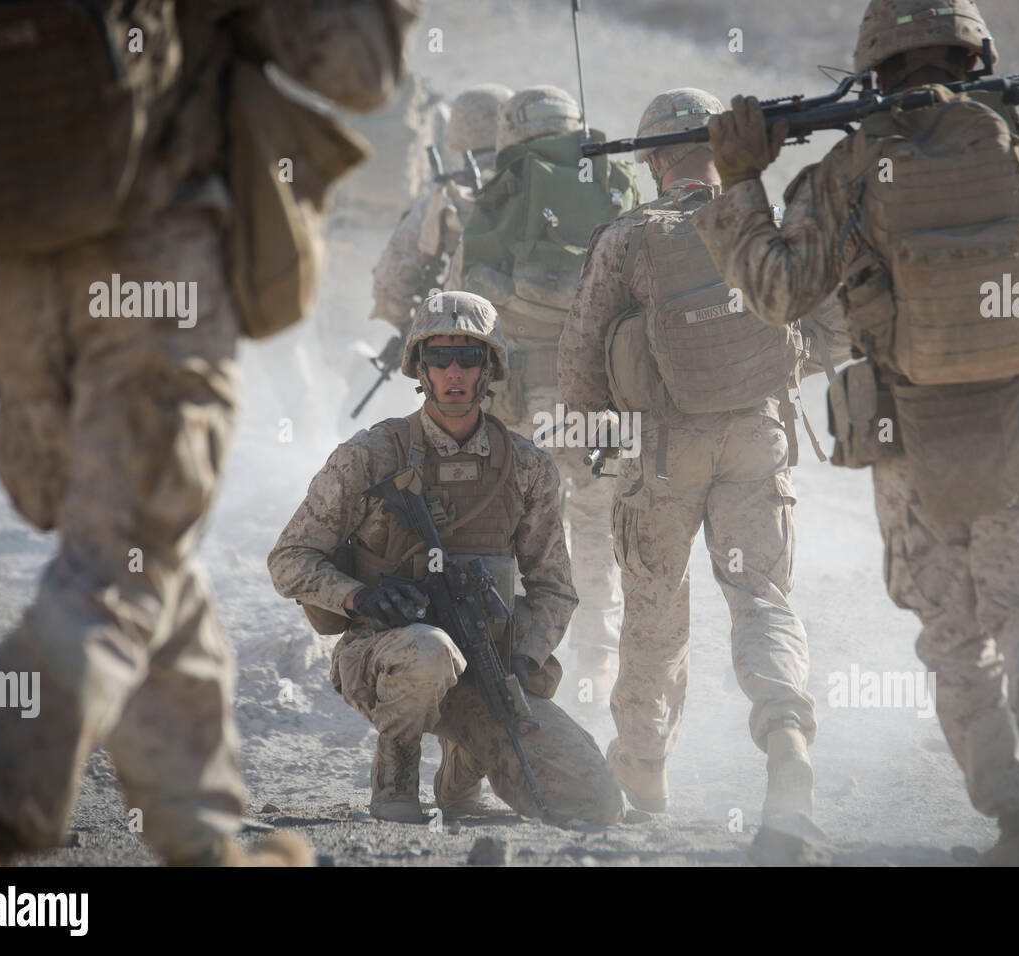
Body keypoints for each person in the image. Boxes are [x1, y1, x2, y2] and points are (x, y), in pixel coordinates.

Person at [694, 0, 1019, 864]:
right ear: (977, 60)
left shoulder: (848, 171)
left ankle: (1017, 823)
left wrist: (741, 180)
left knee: (955, 639)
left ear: (872, 72)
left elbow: (778, 291)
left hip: (909, 437)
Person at [0, 0, 419, 867]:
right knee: (129, 544)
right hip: (149, 258)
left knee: (139, 543)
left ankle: (200, 840)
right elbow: (356, 67)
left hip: (5, 265)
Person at [558, 89, 842, 864]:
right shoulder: (760, 222)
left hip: (663, 451)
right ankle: (786, 739)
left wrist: (598, 431)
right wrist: (777, 369)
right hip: (758, 438)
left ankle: (645, 773)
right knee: (761, 599)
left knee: (654, 613)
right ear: (721, 152)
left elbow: (580, 361)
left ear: (653, 161)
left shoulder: (627, 237)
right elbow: (832, 323)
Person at [268, 291, 624, 826]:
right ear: (420, 367)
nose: (453, 371)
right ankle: (396, 781)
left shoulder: (526, 468)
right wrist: (359, 595)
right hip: (383, 655)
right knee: (430, 652)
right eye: (439, 358)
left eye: (469, 358)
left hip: (487, 667)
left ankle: (460, 776)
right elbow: (289, 558)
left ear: (490, 369)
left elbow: (554, 589)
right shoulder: (371, 456)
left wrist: (520, 663)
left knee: (594, 803)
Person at [448, 86, 641, 703]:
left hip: (531, 399)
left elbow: (464, 304)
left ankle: (518, 663)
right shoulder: (615, 177)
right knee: (594, 521)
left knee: (523, 527)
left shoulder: (505, 188)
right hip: (608, 393)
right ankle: (599, 660)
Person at [370, 84, 515, 332]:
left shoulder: (447, 197)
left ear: (458, 132)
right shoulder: (543, 189)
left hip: (465, 347)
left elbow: (391, 283)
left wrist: (408, 325)